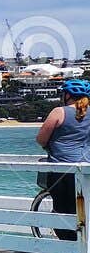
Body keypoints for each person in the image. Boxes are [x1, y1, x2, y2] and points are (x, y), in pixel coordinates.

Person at [35, 79, 90, 242]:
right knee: (83, 208)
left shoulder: (59, 112)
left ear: (67, 95)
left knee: (62, 211)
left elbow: (41, 139)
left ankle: (71, 252)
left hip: (61, 169)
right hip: (86, 168)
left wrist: (50, 146)